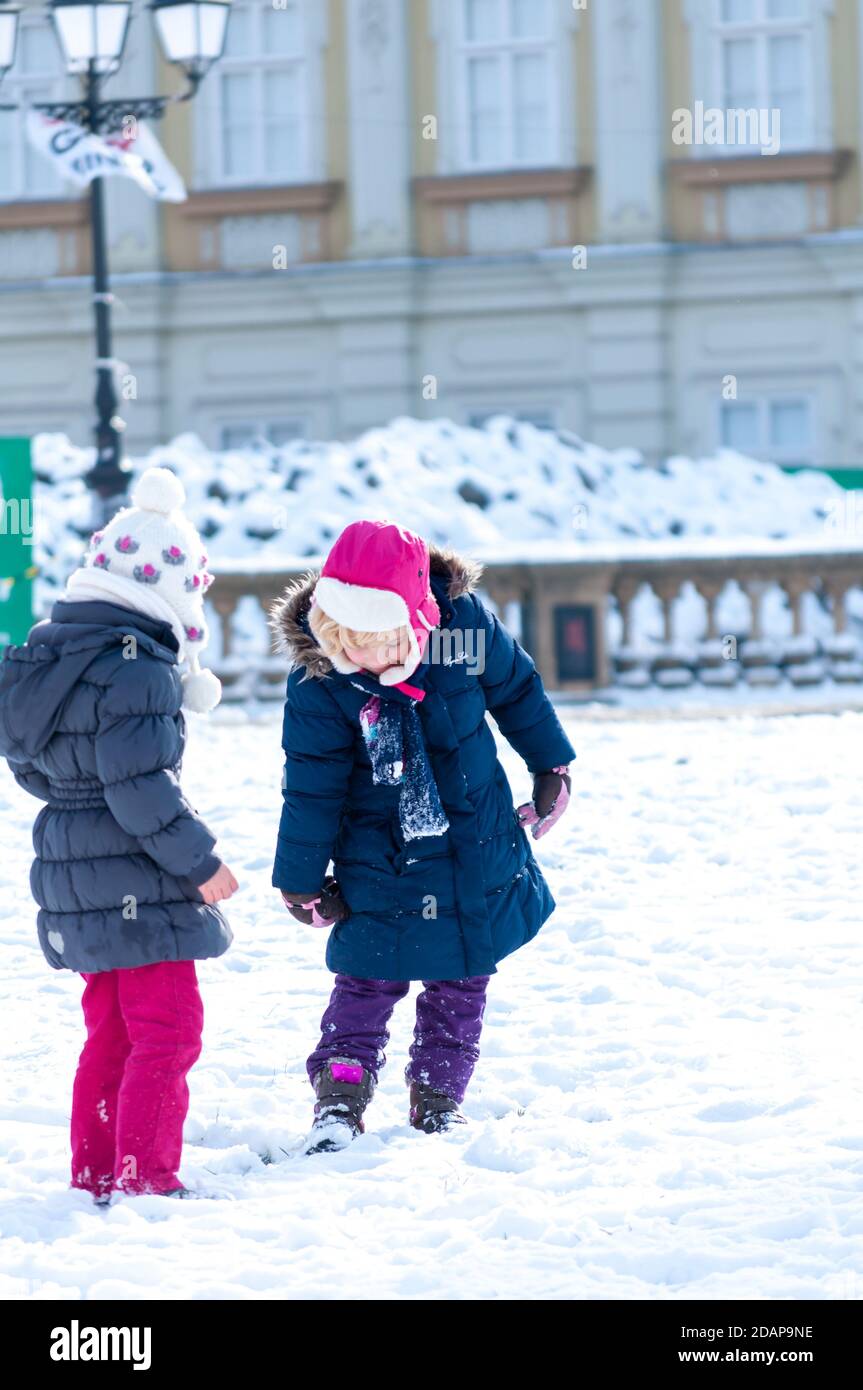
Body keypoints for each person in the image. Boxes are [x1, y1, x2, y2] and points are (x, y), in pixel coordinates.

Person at [270, 519, 575, 1154]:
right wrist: (299, 881)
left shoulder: (463, 629)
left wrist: (552, 765)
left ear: (417, 615)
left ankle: (439, 1098)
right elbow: (311, 788)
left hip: (472, 845)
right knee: (365, 984)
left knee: (461, 981)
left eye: (376, 642)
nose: (362, 658)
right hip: (378, 861)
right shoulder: (321, 680)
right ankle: (340, 1099)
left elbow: (518, 692)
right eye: (345, 642)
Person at [0, 467, 237, 1202]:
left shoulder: (55, 658)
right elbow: (138, 786)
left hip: (71, 865)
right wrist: (201, 863)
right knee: (168, 1031)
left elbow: (34, 764)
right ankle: (146, 1177)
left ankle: (97, 1172)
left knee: (112, 1034)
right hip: (136, 876)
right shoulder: (140, 671)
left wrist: (76, 801)